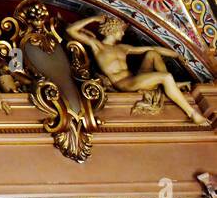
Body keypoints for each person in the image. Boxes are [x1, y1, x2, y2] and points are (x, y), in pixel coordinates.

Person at [66, 15, 210, 125]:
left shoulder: (123, 48)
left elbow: (151, 48)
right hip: (124, 84)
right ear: (113, 30)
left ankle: (167, 86)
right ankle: (192, 114)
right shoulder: (98, 46)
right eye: (121, 31)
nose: (122, 34)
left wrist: (177, 55)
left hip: (135, 79)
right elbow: (70, 30)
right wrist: (94, 18)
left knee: (152, 55)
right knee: (165, 76)